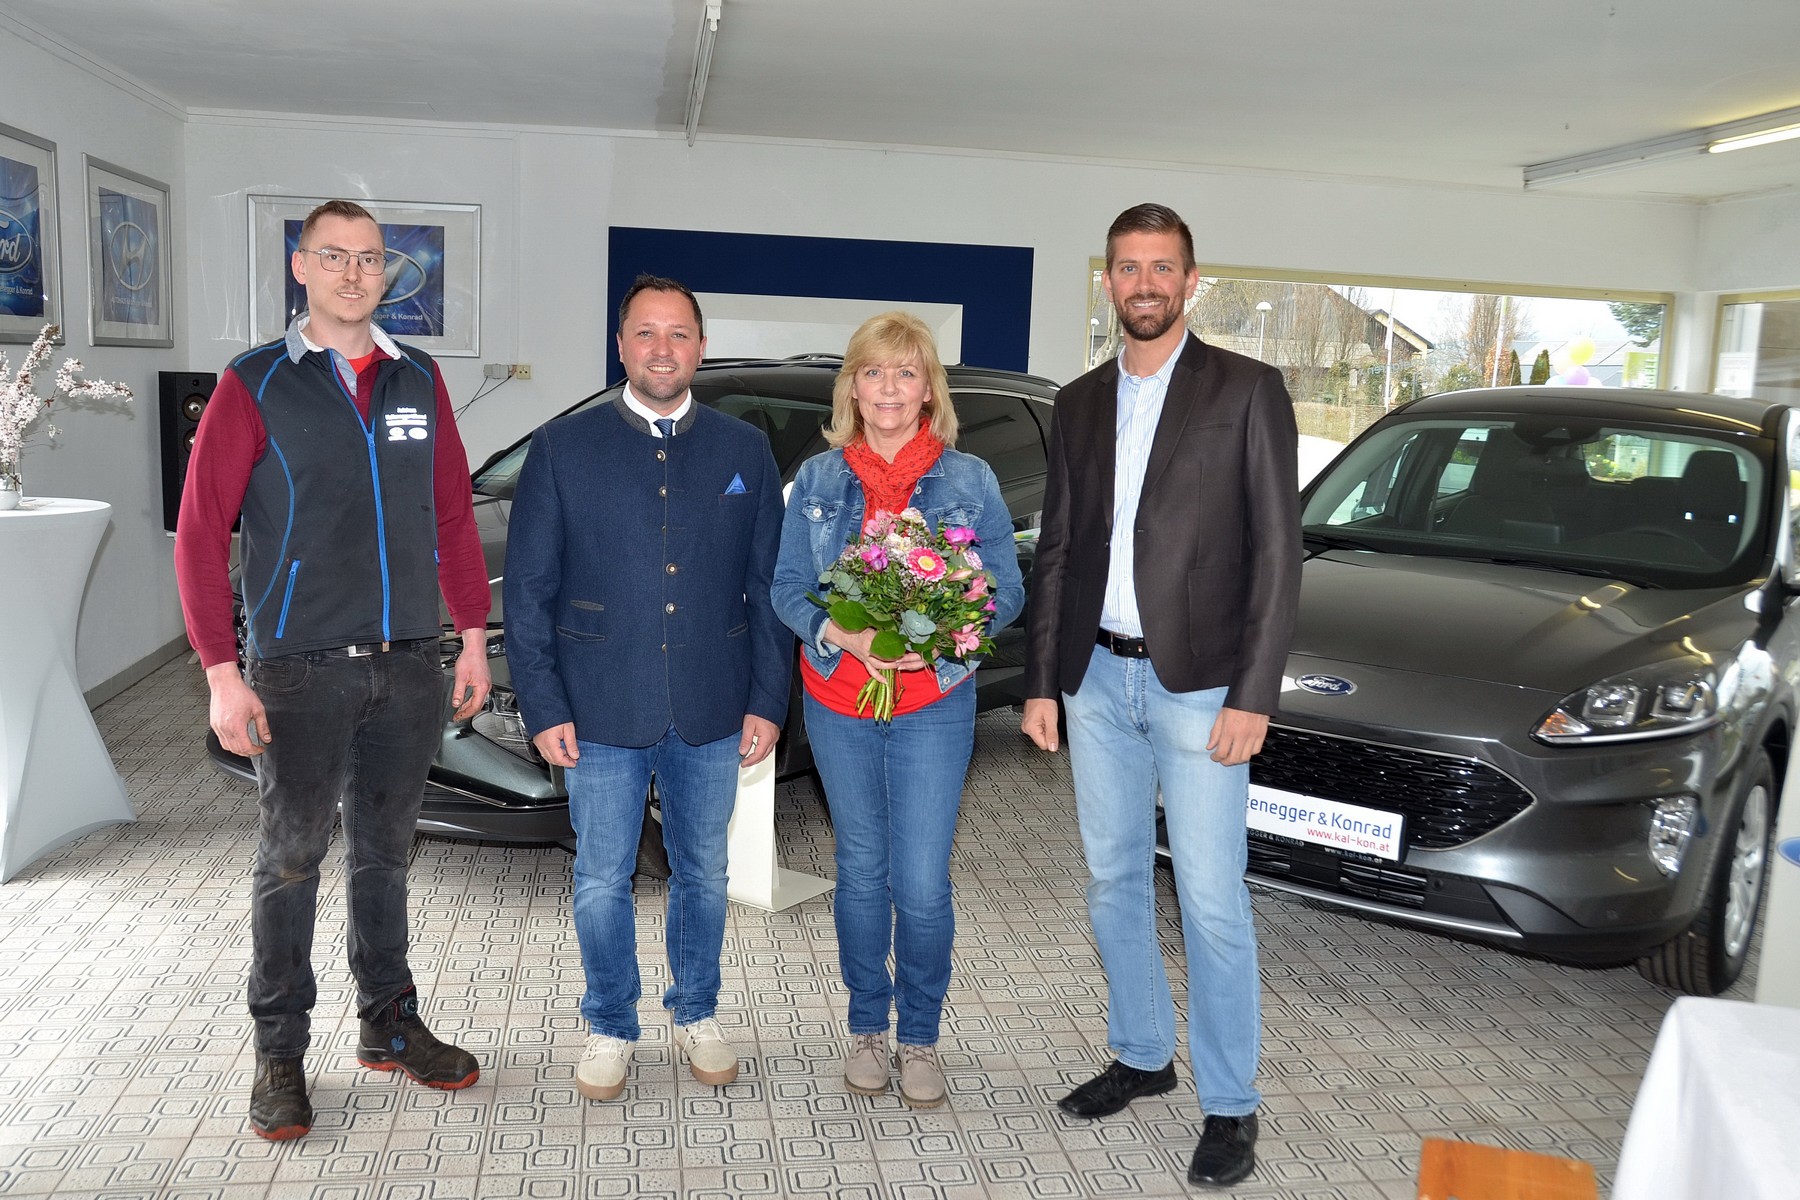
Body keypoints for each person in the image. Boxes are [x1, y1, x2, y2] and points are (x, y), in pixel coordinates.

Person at [174, 199, 493, 1141]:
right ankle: (279, 1050)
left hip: (407, 665)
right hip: (299, 668)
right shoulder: (256, 383)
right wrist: (220, 672)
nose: (356, 274)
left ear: (385, 273)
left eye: (370, 260)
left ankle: (388, 1022)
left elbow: (451, 518)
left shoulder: (418, 381)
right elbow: (201, 532)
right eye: (335, 257)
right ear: (301, 266)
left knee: (387, 854)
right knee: (292, 858)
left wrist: (470, 634)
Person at [1020, 203, 1300, 1188]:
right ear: (1108, 281)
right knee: (1113, 882)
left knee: (1214, 901)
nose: (1144, 283)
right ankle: (1143, 1056)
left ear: (1190, 280)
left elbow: (1277, 554)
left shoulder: (1250, 391)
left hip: (1203, 685)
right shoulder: (1082, 400)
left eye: (1162, 267)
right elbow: (1058, 545)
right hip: (1095, 679)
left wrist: (1253, 695)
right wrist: (1045, 679)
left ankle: (1231, 1103)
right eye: (1128, 267)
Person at [503, 274, 792, 1103]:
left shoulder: (744, 449)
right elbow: (528, 591)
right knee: (601, 875)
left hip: (712, 701)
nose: (662, 349)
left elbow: (768, 586)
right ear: (621, 344)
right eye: (645, 333)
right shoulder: (563, 447)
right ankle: (609, 1023)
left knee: (703, 870)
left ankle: (697, 1011)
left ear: (700, 347)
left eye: (679, 334)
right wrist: (545, 705)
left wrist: (768, 700)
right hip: (598, 703)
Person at [770, 313, 1024, 1107]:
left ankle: (920, 1037)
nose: (888, 389)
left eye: (905, 373)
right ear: (853, 386)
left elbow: (1006, 588)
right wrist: (839, 631)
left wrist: (943, 641)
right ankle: (866, 1031)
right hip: (839, 701)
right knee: (861, 872)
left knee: (919, 882)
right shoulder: (815, 481)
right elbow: (784, 589)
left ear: (928, 389)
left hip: (933, 702)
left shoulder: (969, 479)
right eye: (873, 373)